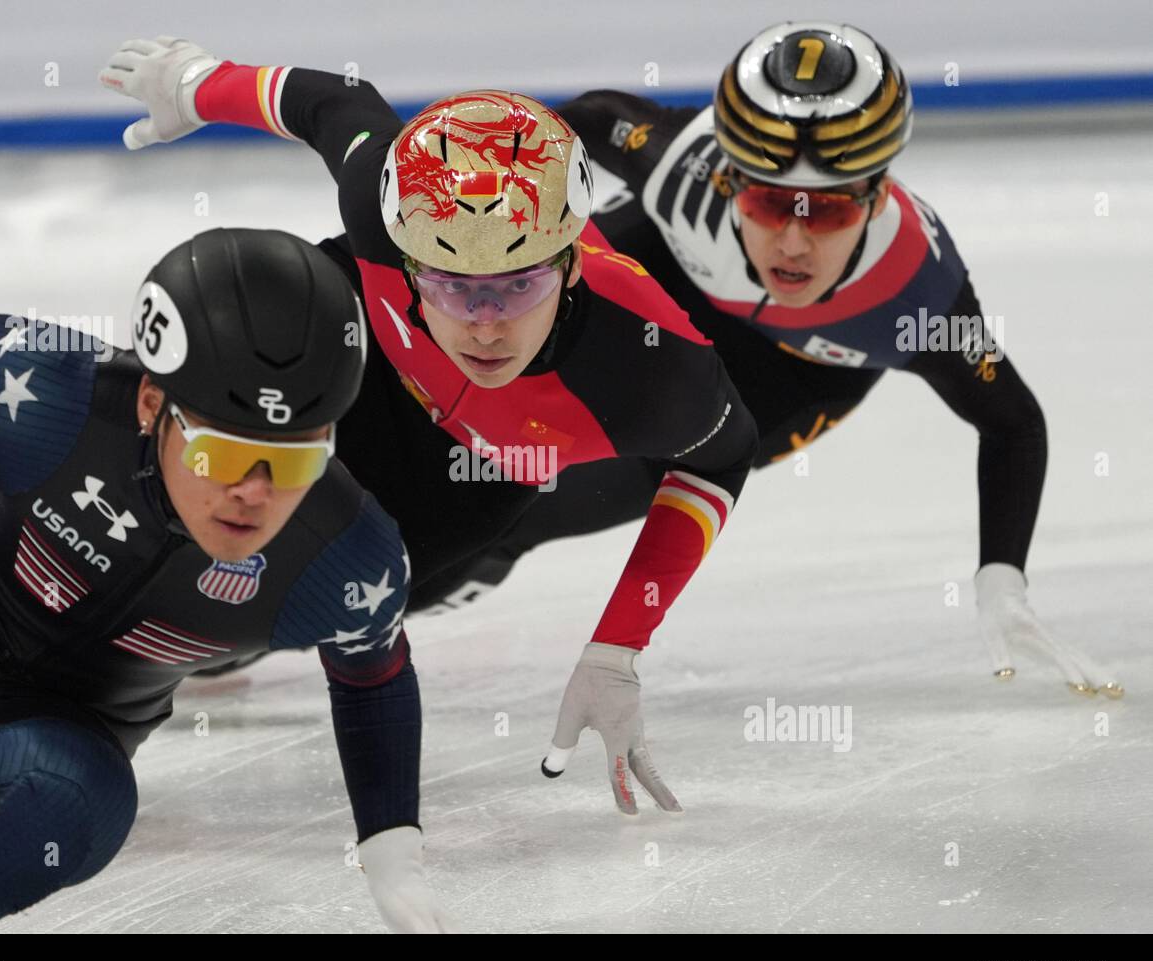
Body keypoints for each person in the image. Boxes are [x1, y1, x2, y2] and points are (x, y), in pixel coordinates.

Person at [100, 36, 759, 814]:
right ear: (409, 259)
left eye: (517, 288)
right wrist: (197, 82)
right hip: (356, 356)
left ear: (572, 263)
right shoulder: (381, 206)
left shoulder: (651, 367)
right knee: (173, 483)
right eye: (451, 285)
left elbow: (723, 456)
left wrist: (618, 644)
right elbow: (333, 103)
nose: (483, 326)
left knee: (278, 608)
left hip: (469, 479)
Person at [454, 22, 1121, 698]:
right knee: (461, 359)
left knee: (524, 504)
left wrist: (1001, 579)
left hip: (790, 376)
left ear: (878, 194)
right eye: (769, 202)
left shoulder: (916, 298)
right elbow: (589, 119)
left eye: (827, 213)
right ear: (730, 175)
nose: (793, 244)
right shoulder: (684, 170)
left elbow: (1013, 422)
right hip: (671, 272)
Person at [0, 227, 453, 933]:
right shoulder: (47, 394)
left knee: (68, 812)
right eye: (221, 453)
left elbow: (371, 678)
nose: (253, 494)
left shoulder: (345, 556)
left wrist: (391, 848)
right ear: (149, 404)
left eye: (294, 462)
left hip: (36, 735)